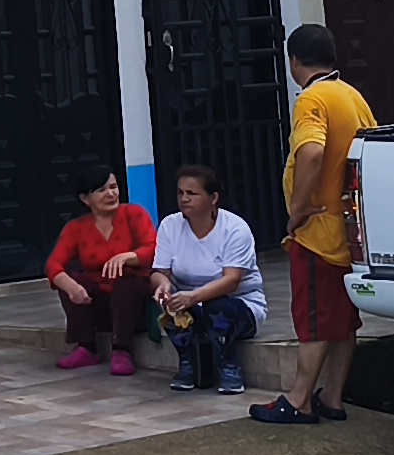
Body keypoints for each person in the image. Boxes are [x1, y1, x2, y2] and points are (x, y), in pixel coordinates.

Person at [255, 24, 376, 426]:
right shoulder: (352, 96)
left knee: (312, 318)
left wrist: (299, 209)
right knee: (343, 320)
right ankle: (334, 398)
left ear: (294, 61)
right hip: (350, 230)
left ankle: (300, 399)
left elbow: (311, 153)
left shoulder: (312, 99)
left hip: (319, 233)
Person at [150, 165, 263, 397]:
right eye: (181, 193)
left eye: (192, 194)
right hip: (189, 304)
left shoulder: (235, 229)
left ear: (213, 198)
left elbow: (231, 281)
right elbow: (159, 272)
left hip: (238, 305)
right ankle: (188, 363)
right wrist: (162, 285)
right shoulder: (170, 225)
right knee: (166, 304)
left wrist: (193, 296)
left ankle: (228, 365)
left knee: (218, 306)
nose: (184, 199)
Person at [44, 169, 157, 374]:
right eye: (101, 190)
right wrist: (70, 286)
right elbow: (53, 264)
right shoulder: (76, 228)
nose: (110, 194)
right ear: (85, 199)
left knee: (127, 280)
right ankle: (86, 347)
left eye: (113, 187)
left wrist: (127, 257)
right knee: (69, 279)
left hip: (132, 304)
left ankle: (122, 349)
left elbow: (153, 249)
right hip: (98, 305)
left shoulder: (134, 214)